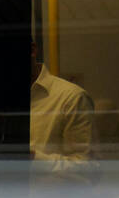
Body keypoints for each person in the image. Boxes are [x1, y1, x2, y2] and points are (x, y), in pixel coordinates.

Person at [29, 39, 94, 178]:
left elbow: (86, 167)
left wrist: (35, 159)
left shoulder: (71, 98)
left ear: (32, 50)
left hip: (51, 197)